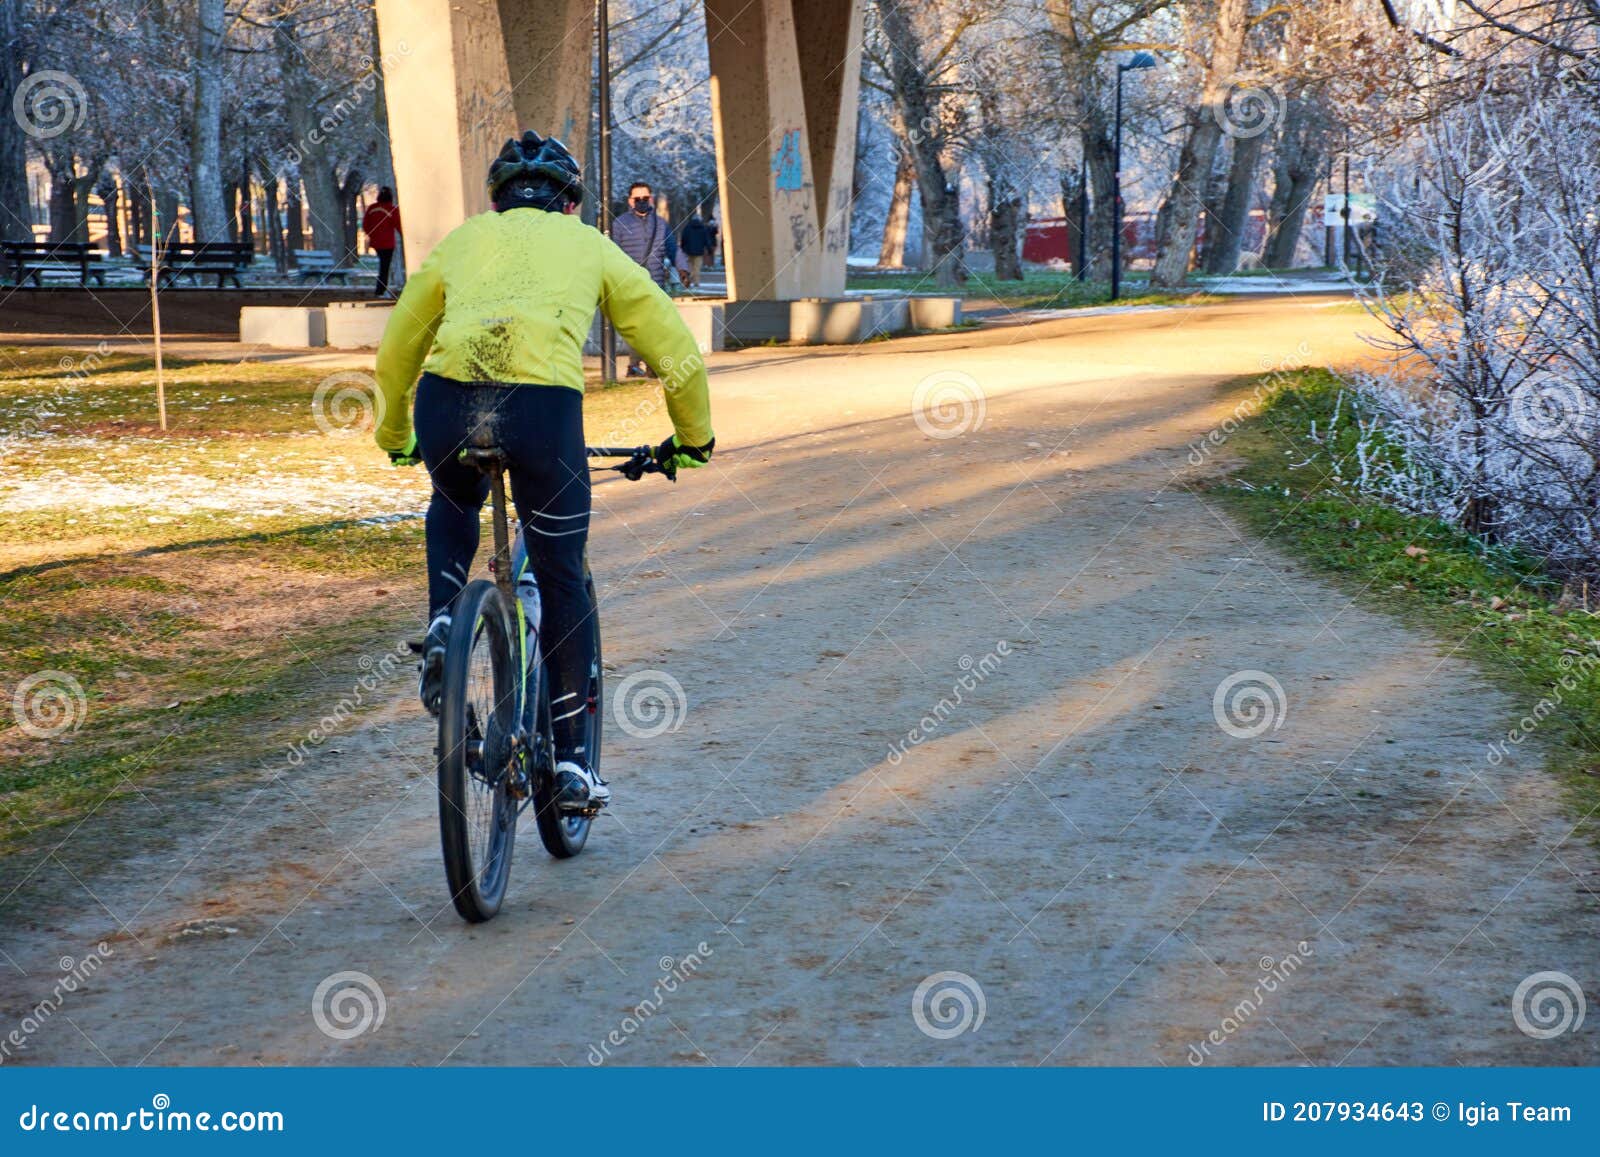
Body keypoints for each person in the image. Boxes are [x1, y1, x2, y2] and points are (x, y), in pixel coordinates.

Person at [373, 132, 715, 813]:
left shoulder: (465, 241)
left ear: (499, 200)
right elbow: (673, 346)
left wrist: (395, 432)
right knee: (560, 574)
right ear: (568, 203)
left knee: (451, 496)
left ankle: (445, 619)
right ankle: (574, 765)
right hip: (540, 411)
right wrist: (692, 438)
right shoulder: (589, 245)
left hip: (449, 400)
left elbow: (399, 345)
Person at [610, 180, 668, 377]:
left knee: (654, 325)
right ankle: (634, 365)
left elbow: (673, 249)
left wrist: (683, 268)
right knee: (637, 326)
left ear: (650, 199)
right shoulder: (619, 224)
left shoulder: (661, 224)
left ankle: (652, 365)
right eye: (638, 198)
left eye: (645, 198)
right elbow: (613, 254)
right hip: (631, 283)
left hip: (656, 283)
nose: (642, 201)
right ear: (630, 201)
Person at [361, 187, 402, 297]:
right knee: (385, 267)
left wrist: (373, 235)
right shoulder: (392, 209)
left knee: (383, 266)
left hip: (376, 243)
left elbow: (365, 225)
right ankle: (381, 290)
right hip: (388, 243)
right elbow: (398, 225)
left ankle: (382, 289)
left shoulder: (372, 208)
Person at [679, 212, 711, 289]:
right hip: (699, 252)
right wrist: (709, 249)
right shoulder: (703, 228)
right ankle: (696, 283)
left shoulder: (687, 228)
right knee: (697, 268)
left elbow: (683, 239)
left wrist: (682, 248)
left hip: (688, 251)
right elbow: (706, 240)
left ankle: (688, 280)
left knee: (689, 268)